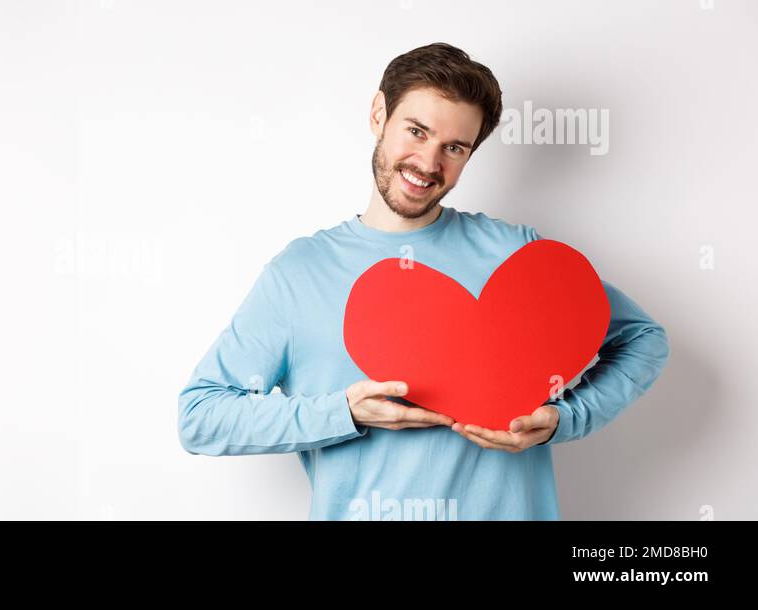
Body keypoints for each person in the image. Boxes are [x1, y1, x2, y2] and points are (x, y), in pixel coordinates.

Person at [176, 42, 670, 520]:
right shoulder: (300, 272)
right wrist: (343, 413)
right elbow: (201, 416)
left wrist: (566, 419)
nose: (429, 164)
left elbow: (643, 339)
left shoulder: (517, 256)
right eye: (416, 131)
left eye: (454, 147)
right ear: (378, 115)